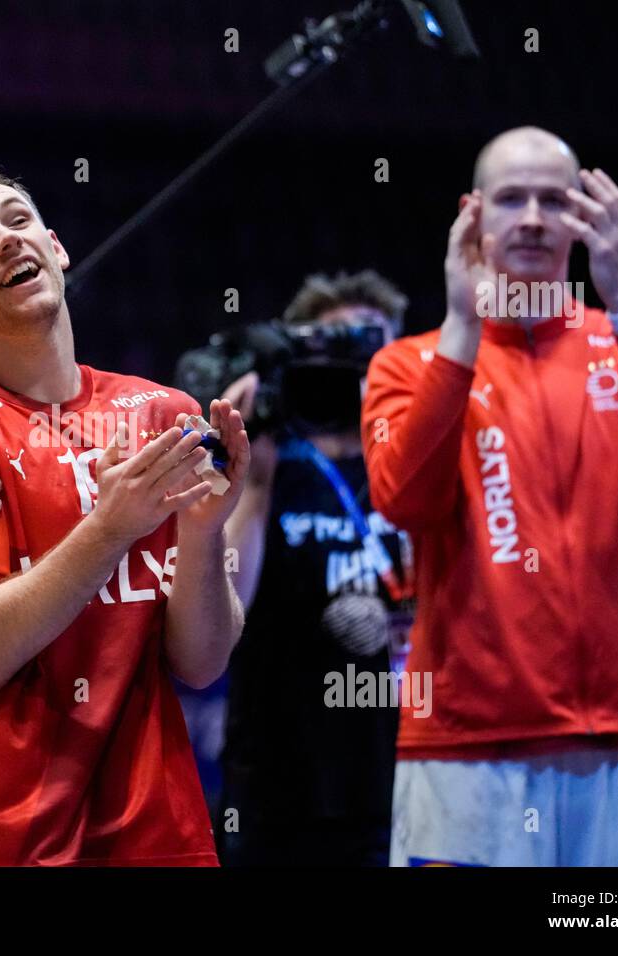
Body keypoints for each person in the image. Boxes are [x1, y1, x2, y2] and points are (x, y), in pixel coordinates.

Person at [362, 126, 618, 866]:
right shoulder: (408, 364)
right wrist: (464, 329)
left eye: (553, 199)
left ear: (586, 215)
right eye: (511, 199)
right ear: (474, 215)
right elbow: (404, 499)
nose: (532, 217)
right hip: (471, 750)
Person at [0, 155, 250, 865]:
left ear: (56, 246)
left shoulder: (160, 412)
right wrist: (110, 527)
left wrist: (204, 532)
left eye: (19, 221)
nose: (8, 239)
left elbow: (201, 663)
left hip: (158, 829)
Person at [217, 270, 411, 866]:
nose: (356, 370)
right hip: (278, 778)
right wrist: (255, 478)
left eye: (371, 347)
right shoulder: (269, 458)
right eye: (335, 349)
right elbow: (227, 608)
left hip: (404, 775)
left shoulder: (418, 467)